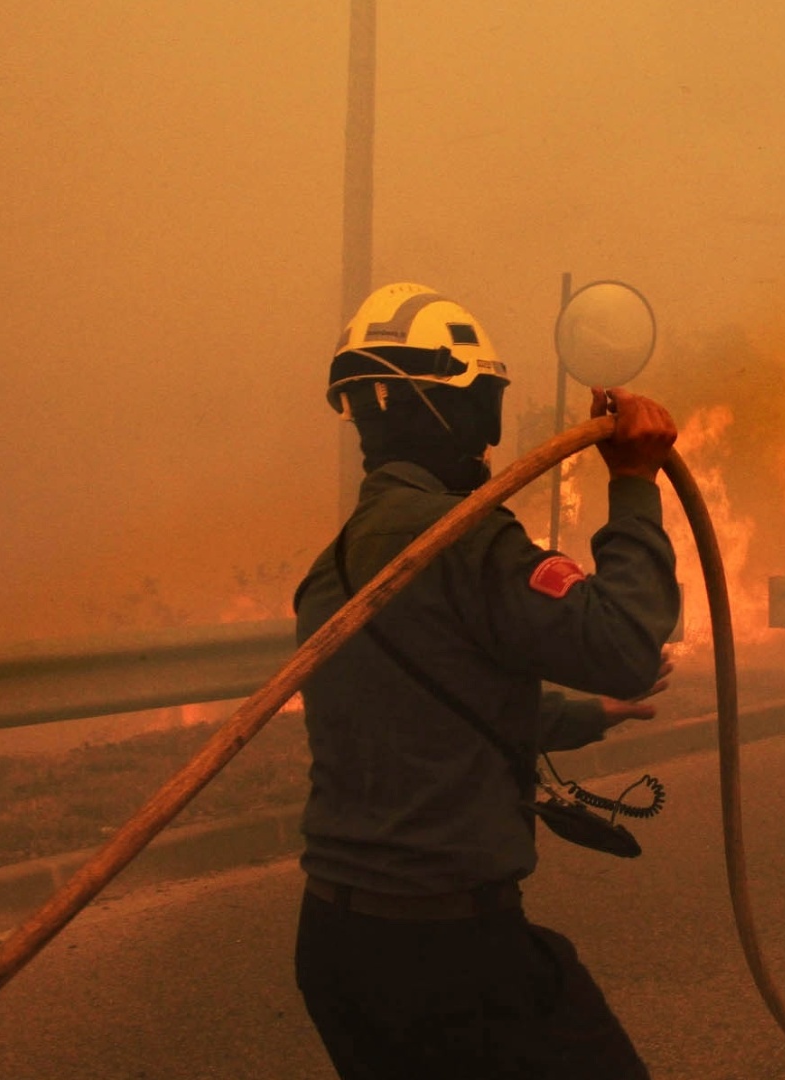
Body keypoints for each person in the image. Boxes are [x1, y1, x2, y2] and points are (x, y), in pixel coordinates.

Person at [292, 282, 681, 1078]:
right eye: (484, 402)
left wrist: (586, 714)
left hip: (336, 948)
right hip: (448, 956)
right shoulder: (461, 542)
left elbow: (431, 710)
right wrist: (636, 482)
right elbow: (625, 643)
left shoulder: (334, 568)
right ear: (449, 407)